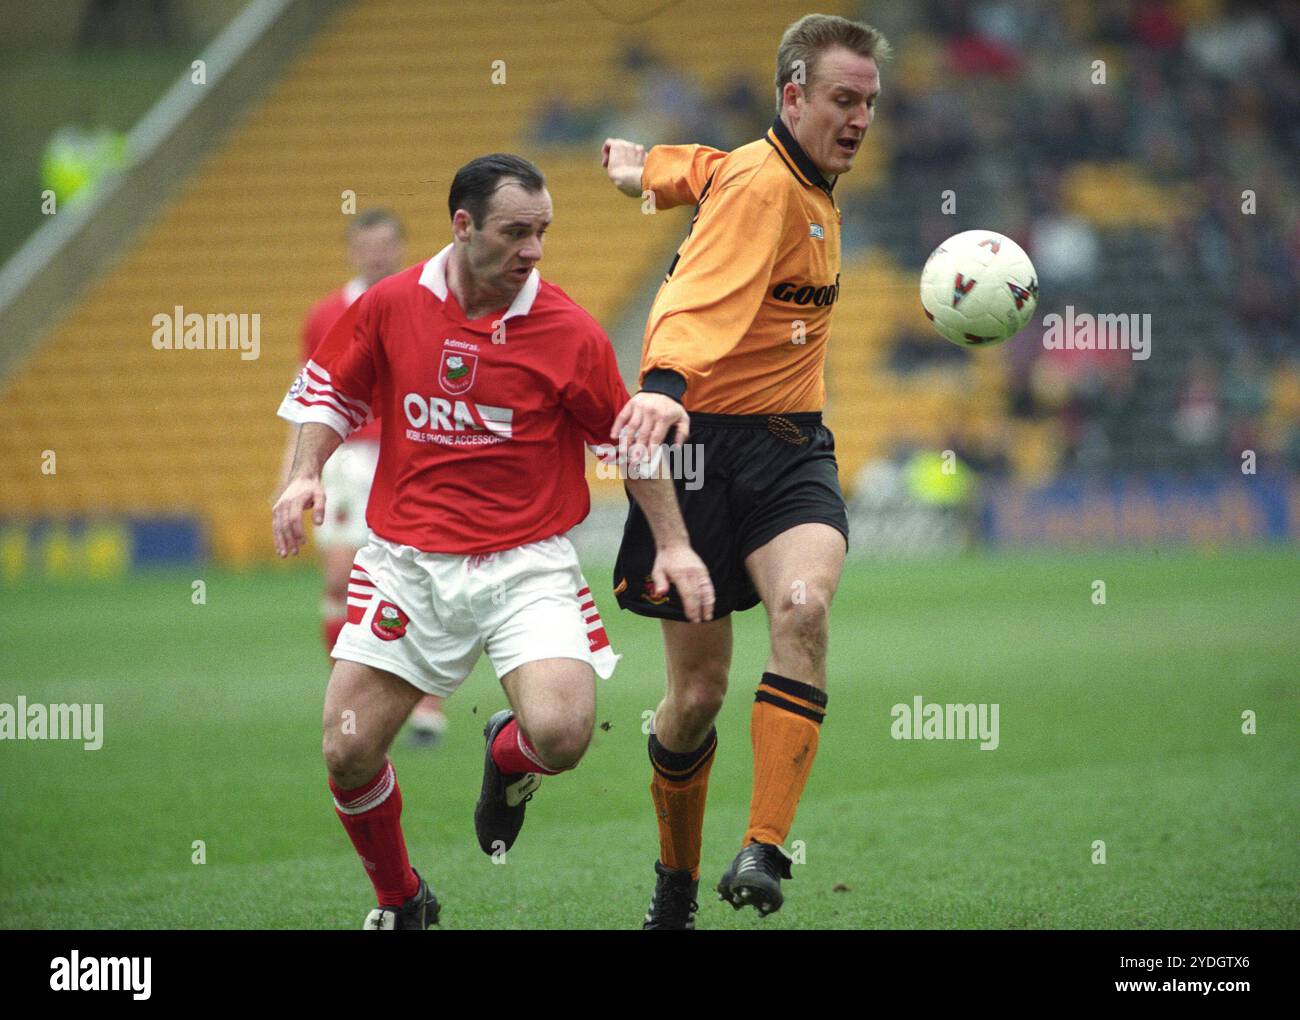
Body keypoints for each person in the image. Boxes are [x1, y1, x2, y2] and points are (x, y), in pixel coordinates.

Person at [272, 154, 713, 930]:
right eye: (516, 232)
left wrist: (674, 546)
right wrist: (305, 472)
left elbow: (629, 443)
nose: (534, 250)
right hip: (407, 563)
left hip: (527, 566)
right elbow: (329, 391)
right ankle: (402, 900)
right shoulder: (391, 305)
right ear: (463, 225)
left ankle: (504, 758)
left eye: (542, 233)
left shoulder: (567, 330)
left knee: (564, 735)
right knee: (346, 749)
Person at [600, 13, 889, 927]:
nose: (860, 119)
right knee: (693, 697)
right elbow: (695, 296)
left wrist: (642, 167)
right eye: (844, 99)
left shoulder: (764, 168)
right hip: (696, 446)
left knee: (804, 609)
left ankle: (764, 846)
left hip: (792, 447)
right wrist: (661, 385)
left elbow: (705, 165)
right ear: (795, 95)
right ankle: (675, 884)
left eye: (871, 103)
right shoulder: (765, 190)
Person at [277, 209, 448, 747]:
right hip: (347, 458)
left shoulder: (423, 304)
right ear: (352, 250)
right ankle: (350, 700)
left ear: (399, 247)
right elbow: (312, 398)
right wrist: (292, 471)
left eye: (385, 245)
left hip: (407, 454)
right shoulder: (326, 313)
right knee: (340, 578)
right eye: (366, 246)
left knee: (419, 576)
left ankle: (426, 700)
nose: (377, 255)